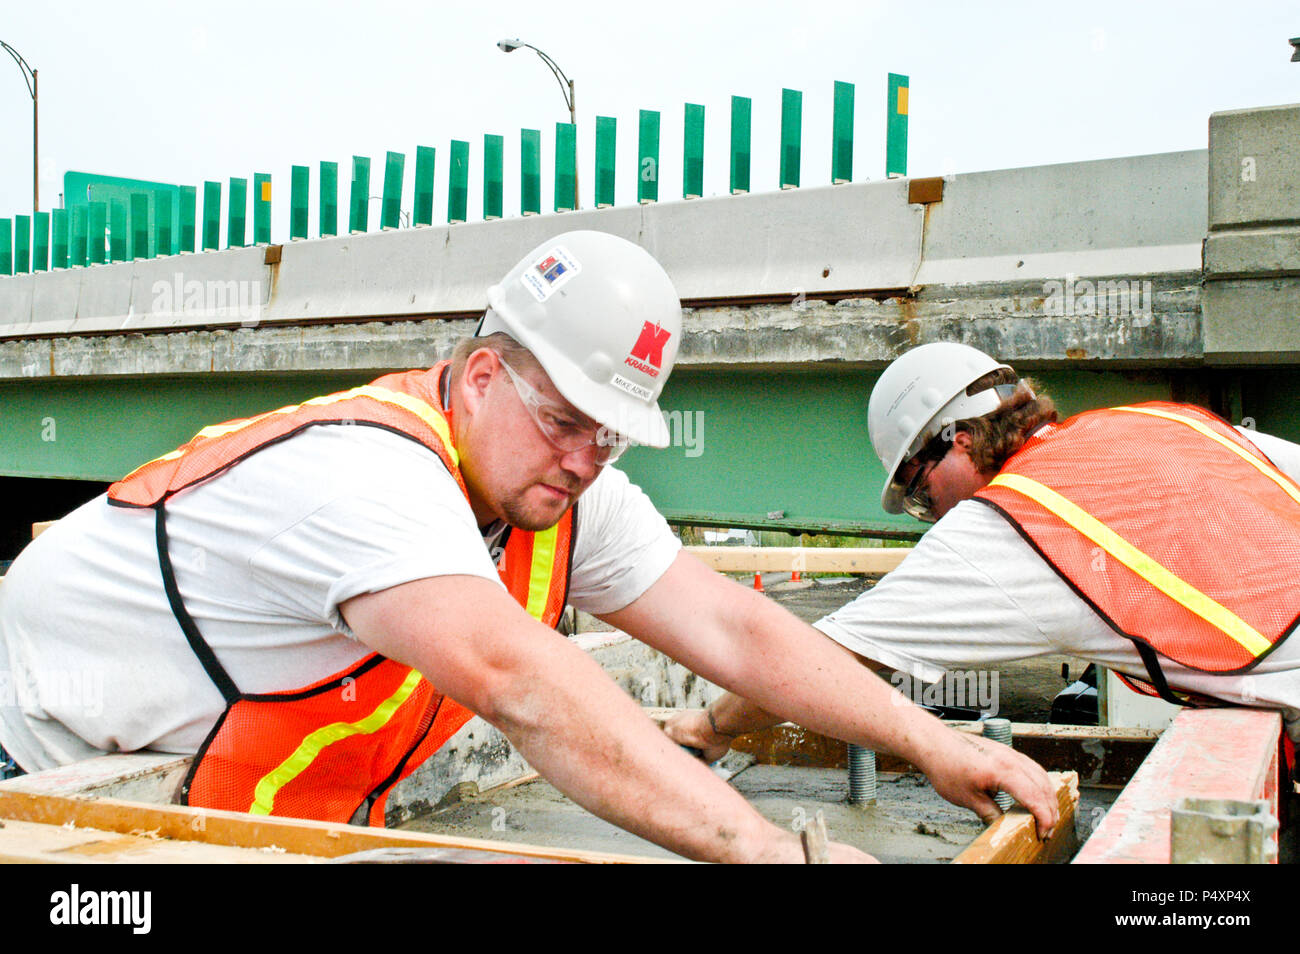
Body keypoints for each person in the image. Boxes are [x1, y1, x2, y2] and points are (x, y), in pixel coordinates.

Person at [0, 242, 1057, 863]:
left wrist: (934, 743)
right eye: (564, 421)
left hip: (217, 811)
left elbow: (734, 626)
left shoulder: (554, 484)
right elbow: (521, 684)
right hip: (42, 776)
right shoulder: (365, 475)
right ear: (478, 374)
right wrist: (769, 854)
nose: (585, 460)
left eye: (609, 435)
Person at [667, 341, 1300, 763]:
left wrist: (711, 728)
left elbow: (814, 662)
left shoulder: (1012, 522)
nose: (931, 515)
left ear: (961, 442)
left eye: (919, 492)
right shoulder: (1162, 425)